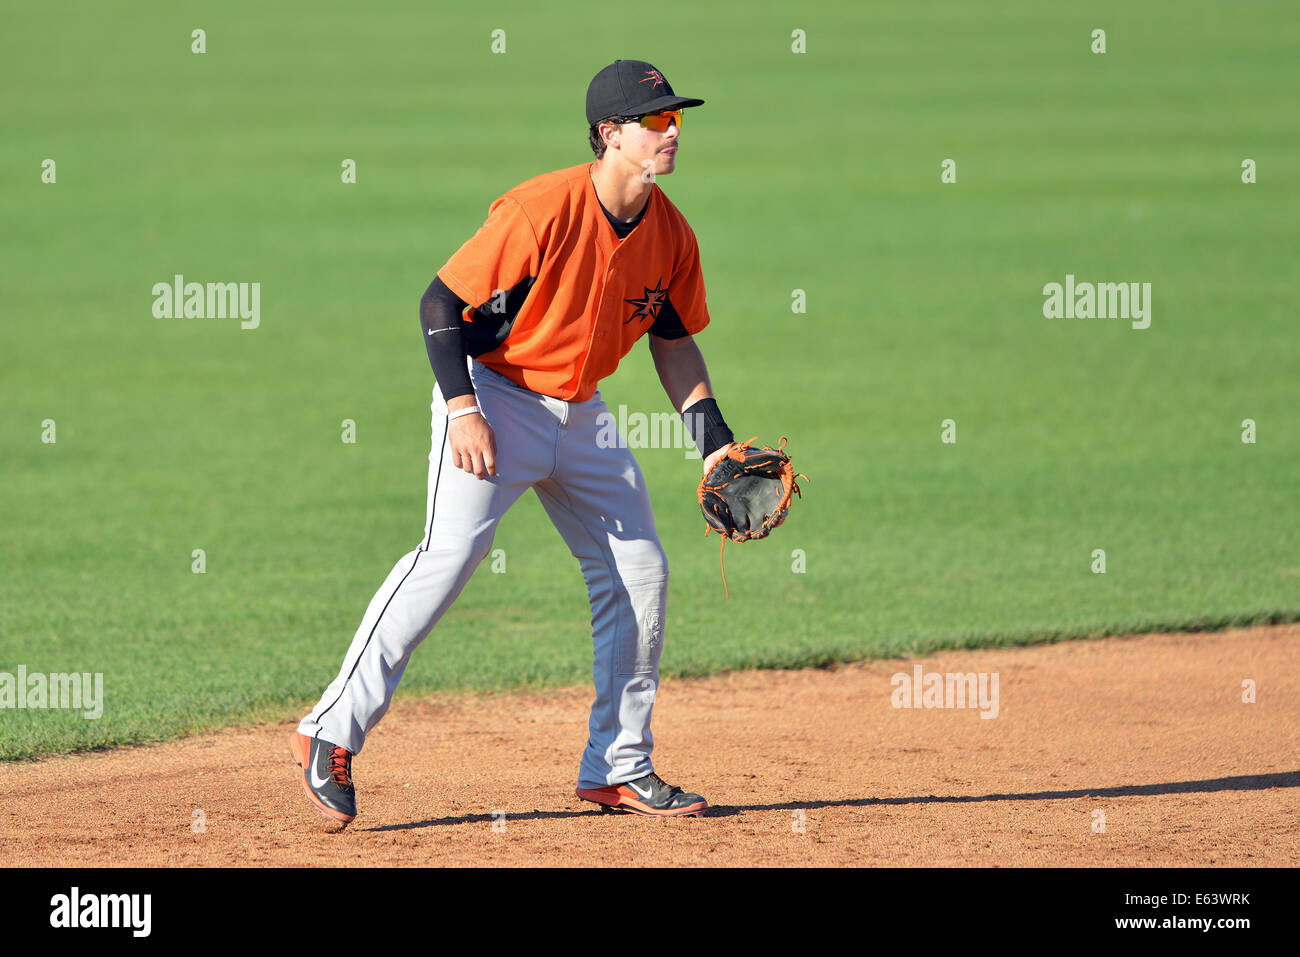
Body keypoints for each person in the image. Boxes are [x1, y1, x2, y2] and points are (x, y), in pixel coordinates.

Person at [290, 59, 736, 826]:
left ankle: (618, 765)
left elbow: (673, 341)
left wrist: (715, 442)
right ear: (610, 135)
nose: (671, 132)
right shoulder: (542, 209)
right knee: (447, 556)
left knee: (640, 572)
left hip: (583, 413)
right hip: (494, 396)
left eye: (676, 119)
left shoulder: (671, 234)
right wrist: (462, 408)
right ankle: (330, 727)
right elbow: (440, 301)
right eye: (656, 120)